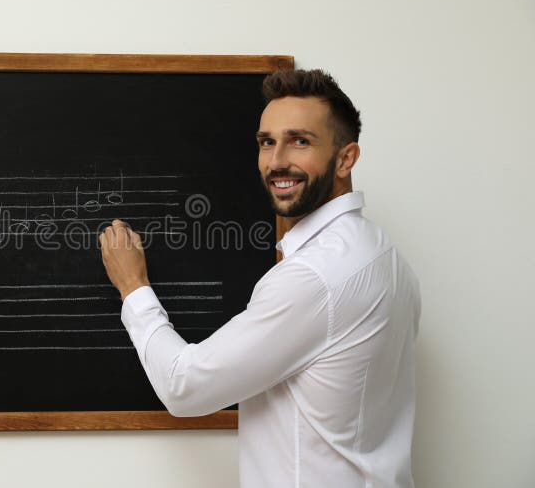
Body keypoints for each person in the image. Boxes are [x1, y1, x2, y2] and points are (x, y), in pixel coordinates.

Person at [99, 69, 421, 488]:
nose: (276, 161)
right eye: (267, 142)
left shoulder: (313, 276)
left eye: (300, 141)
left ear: (346, 158)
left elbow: (185, 386)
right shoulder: (385, 255)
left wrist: (132, 286)